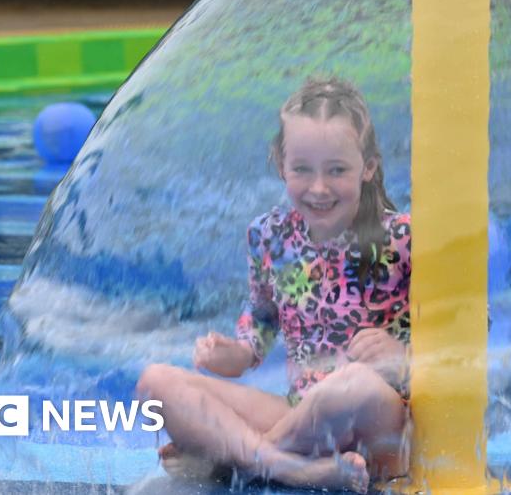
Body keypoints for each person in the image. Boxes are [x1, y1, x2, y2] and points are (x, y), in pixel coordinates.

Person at [136, 76, 412, 493]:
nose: (318, 187)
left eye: (337, 170)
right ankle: (290, 466)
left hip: (380, 425)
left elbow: (466, 339)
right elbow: (263, 319)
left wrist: (404, 356)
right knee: (155, 383)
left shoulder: (403, 238)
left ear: (368, 167)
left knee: (351, 384)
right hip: (299, 414)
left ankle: (234, 460)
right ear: (281, 164)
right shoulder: (269, 236)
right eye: (302, 169)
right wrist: (238, 352)